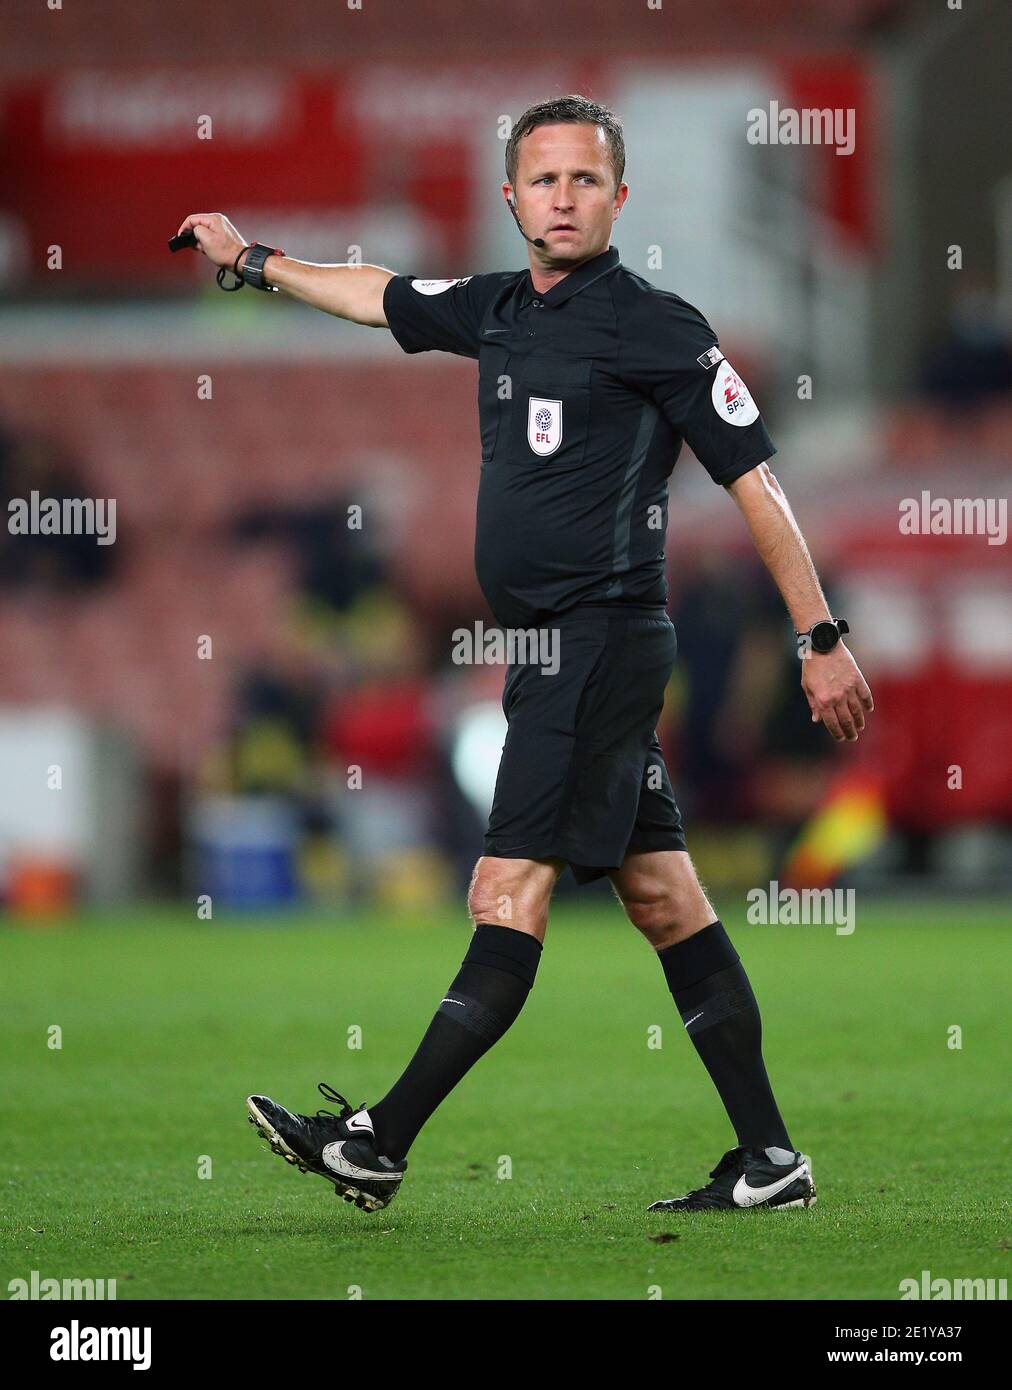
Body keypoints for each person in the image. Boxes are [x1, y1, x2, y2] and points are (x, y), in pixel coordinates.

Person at [177, 93, 873, 1214]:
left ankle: (379, 1139)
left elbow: (756, 478)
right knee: (662, 895)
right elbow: (375, 294)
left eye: (584, 179)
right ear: (510, 197)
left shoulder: (657, 325)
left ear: (617, 197)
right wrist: (251, 259)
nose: (563, 196)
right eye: (542, 179)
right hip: (554, 651)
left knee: (506, 886)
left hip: (596, 644)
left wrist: (818, 634)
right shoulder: (499, 307)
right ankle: (769, 1160)